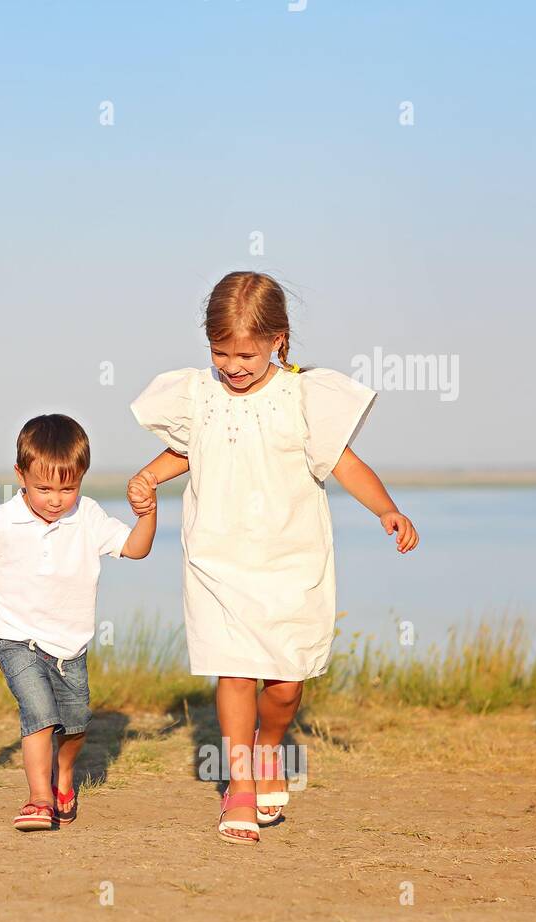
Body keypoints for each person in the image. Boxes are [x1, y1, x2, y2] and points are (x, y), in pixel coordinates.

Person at [128, 272, 420, 845]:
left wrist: (386, 509)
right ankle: (239, 785)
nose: (232, 365)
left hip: (291, 558)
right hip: (218, 556)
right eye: (220, 352)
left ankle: (269, 745)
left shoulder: (303, 397)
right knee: (234, 669)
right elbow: (188, 449)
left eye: (245, 353)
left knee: (285, 683)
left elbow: (346, 463)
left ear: (277, 341)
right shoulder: (197, 395)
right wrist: (149, 476)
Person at [0, 414, 157, 831]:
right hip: (14, 637)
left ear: (82, 480)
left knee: (74, 724)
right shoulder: (0, 523)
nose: (56, 499)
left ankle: (64, 777)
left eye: (68, 488)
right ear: (21, 474)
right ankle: (38, 798)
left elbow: (135, 549)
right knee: (38, 713)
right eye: (44, 488)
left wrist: (147, 515)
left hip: (69, 645)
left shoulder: (87, 517)